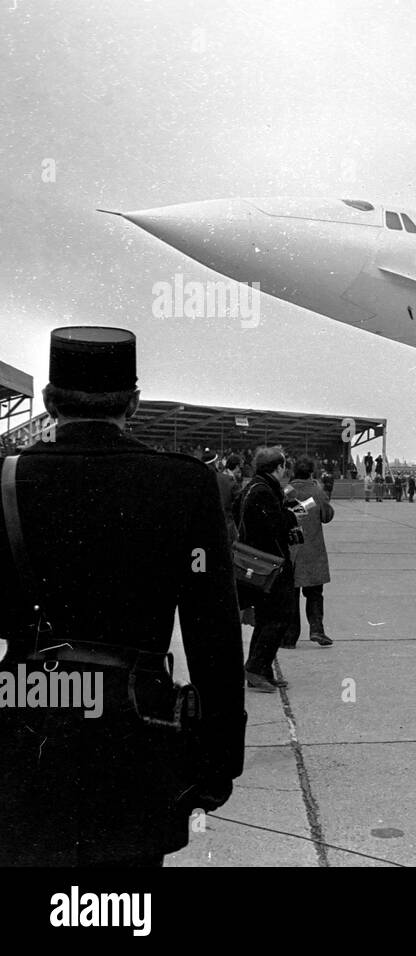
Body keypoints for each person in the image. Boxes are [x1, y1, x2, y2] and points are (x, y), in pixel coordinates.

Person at [0, 326, 245, 865]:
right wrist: (220, 757)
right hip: (135, 723)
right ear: (133, 403)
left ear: (47, 400)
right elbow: (215, 634)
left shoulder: (5, 481)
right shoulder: (183, 484)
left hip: (25, 714)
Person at [237, 445, 302, 692]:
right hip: (270, 563)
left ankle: (260, 668)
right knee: (277, 617)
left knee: (267, 618)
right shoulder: (264, 491)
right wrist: (292, 516)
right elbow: (273, 524)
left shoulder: (253, 486)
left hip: (260, 562)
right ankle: (255, 669)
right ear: (278, 467)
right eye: (284, 466)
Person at [283, 457, 335, 649]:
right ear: (311, 472)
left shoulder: (287, 491)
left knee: (291, 596)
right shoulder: (317, 492)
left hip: (291, 551)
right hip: (313, 551)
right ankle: (316, 630)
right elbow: (327, 516)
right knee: (314, 593)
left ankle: (289, 638)